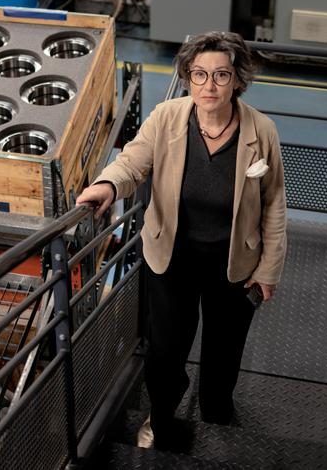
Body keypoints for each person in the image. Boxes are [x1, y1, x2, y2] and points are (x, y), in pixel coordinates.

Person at [75, 31, 287, 451]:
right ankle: (162, 416)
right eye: (199, 74)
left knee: (224, 352)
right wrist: (107, 186)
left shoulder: (261, 130)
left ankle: (216, 415)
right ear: (188, 77)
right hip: (173, 259)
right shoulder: (167, 118)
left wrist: (269, 270)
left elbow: (274, 205)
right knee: (166, 351)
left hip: (234, 264)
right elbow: (132, 162)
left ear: (237, 80)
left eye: (221, 75)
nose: (209, 85)